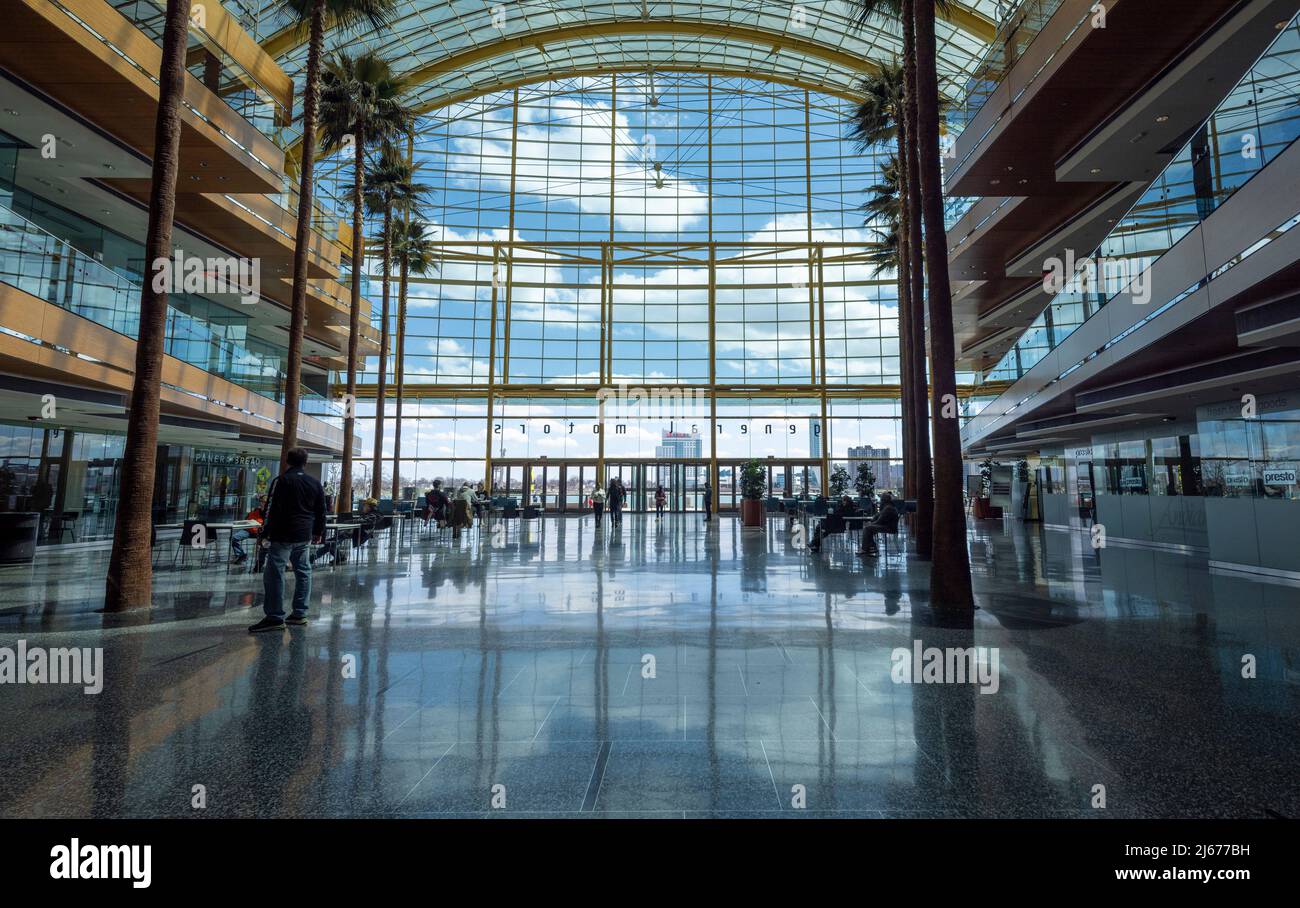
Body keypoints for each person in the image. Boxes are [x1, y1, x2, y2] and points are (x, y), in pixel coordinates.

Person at [249, 448, 325, 633]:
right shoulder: (314, 483)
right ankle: (299, 613)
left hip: (283, 533)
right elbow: (321, 510)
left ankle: (275, 616)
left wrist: (265, 532)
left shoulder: (281, 481)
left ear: (287, 462)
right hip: (304, 534)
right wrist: (318, 532)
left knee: (275, 572)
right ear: (305, 463)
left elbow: (271, 508)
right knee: (303, 570)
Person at [313, 497, 379, 565]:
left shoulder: (373, 515)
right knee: (331, 543)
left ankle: (312, 558)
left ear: (369, 507)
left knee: (330, 543)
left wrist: (349, 521)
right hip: (353, 532)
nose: (363, 507)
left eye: (365, 506)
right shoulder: (370, 514)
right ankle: (339, 556)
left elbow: (363, 521)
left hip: (358, 533)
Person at [857, 492, 900, 557]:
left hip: (889, 528)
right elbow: (878, 516)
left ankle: (865, 549)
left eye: (881, 499)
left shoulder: (888, 508)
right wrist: (873, 521)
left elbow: (879, 521)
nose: (880, 501)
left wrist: (870, 524)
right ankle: (872, 548)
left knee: (867, 528)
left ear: (883, 500)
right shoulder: (889, 507)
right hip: (888, 526)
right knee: (869, 528)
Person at [230, 496, 266, 565]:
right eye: (261, 501)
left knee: (264, 544)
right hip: (248, 530)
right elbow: (247, 518)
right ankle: (241, 555)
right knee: (234, 538)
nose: (262, 503)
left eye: (264, 502)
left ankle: (261, 562)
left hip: (260, 532)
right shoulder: (256, 510)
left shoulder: (269, 512)